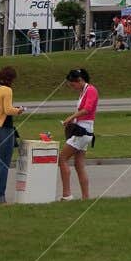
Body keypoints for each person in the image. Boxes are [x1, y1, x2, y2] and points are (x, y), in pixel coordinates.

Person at [0, 67, 25, 205]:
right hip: (3, 128)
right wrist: (19, 110)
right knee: (3, 164)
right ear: (11, 78)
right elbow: (8, 110)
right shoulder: (7, 90)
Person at [58, 67, 97, 201]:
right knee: (79, 164)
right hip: (83, 130)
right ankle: (85, 197)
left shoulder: (91, 90)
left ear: (80, 80)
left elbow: (87, 109)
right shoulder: (83, 90)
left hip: (83, 131)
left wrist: (70, 117)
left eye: (72, 83)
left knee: (62, 158)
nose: (72, 86)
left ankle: (67, 195)